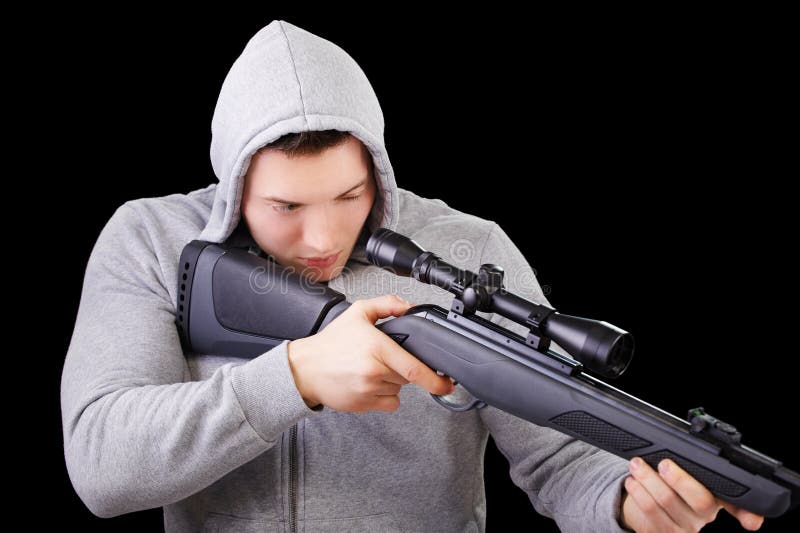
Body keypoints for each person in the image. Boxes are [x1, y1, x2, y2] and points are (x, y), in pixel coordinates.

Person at [60, 19, 764, 532]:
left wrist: (627, 504)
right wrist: (295, 378)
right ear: (234, 184)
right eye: (286, 207)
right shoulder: (153, 240)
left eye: (349, 195)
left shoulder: (466, 248)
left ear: (377, 167)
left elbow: (563, 458)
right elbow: (101, 465)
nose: (324, 238)